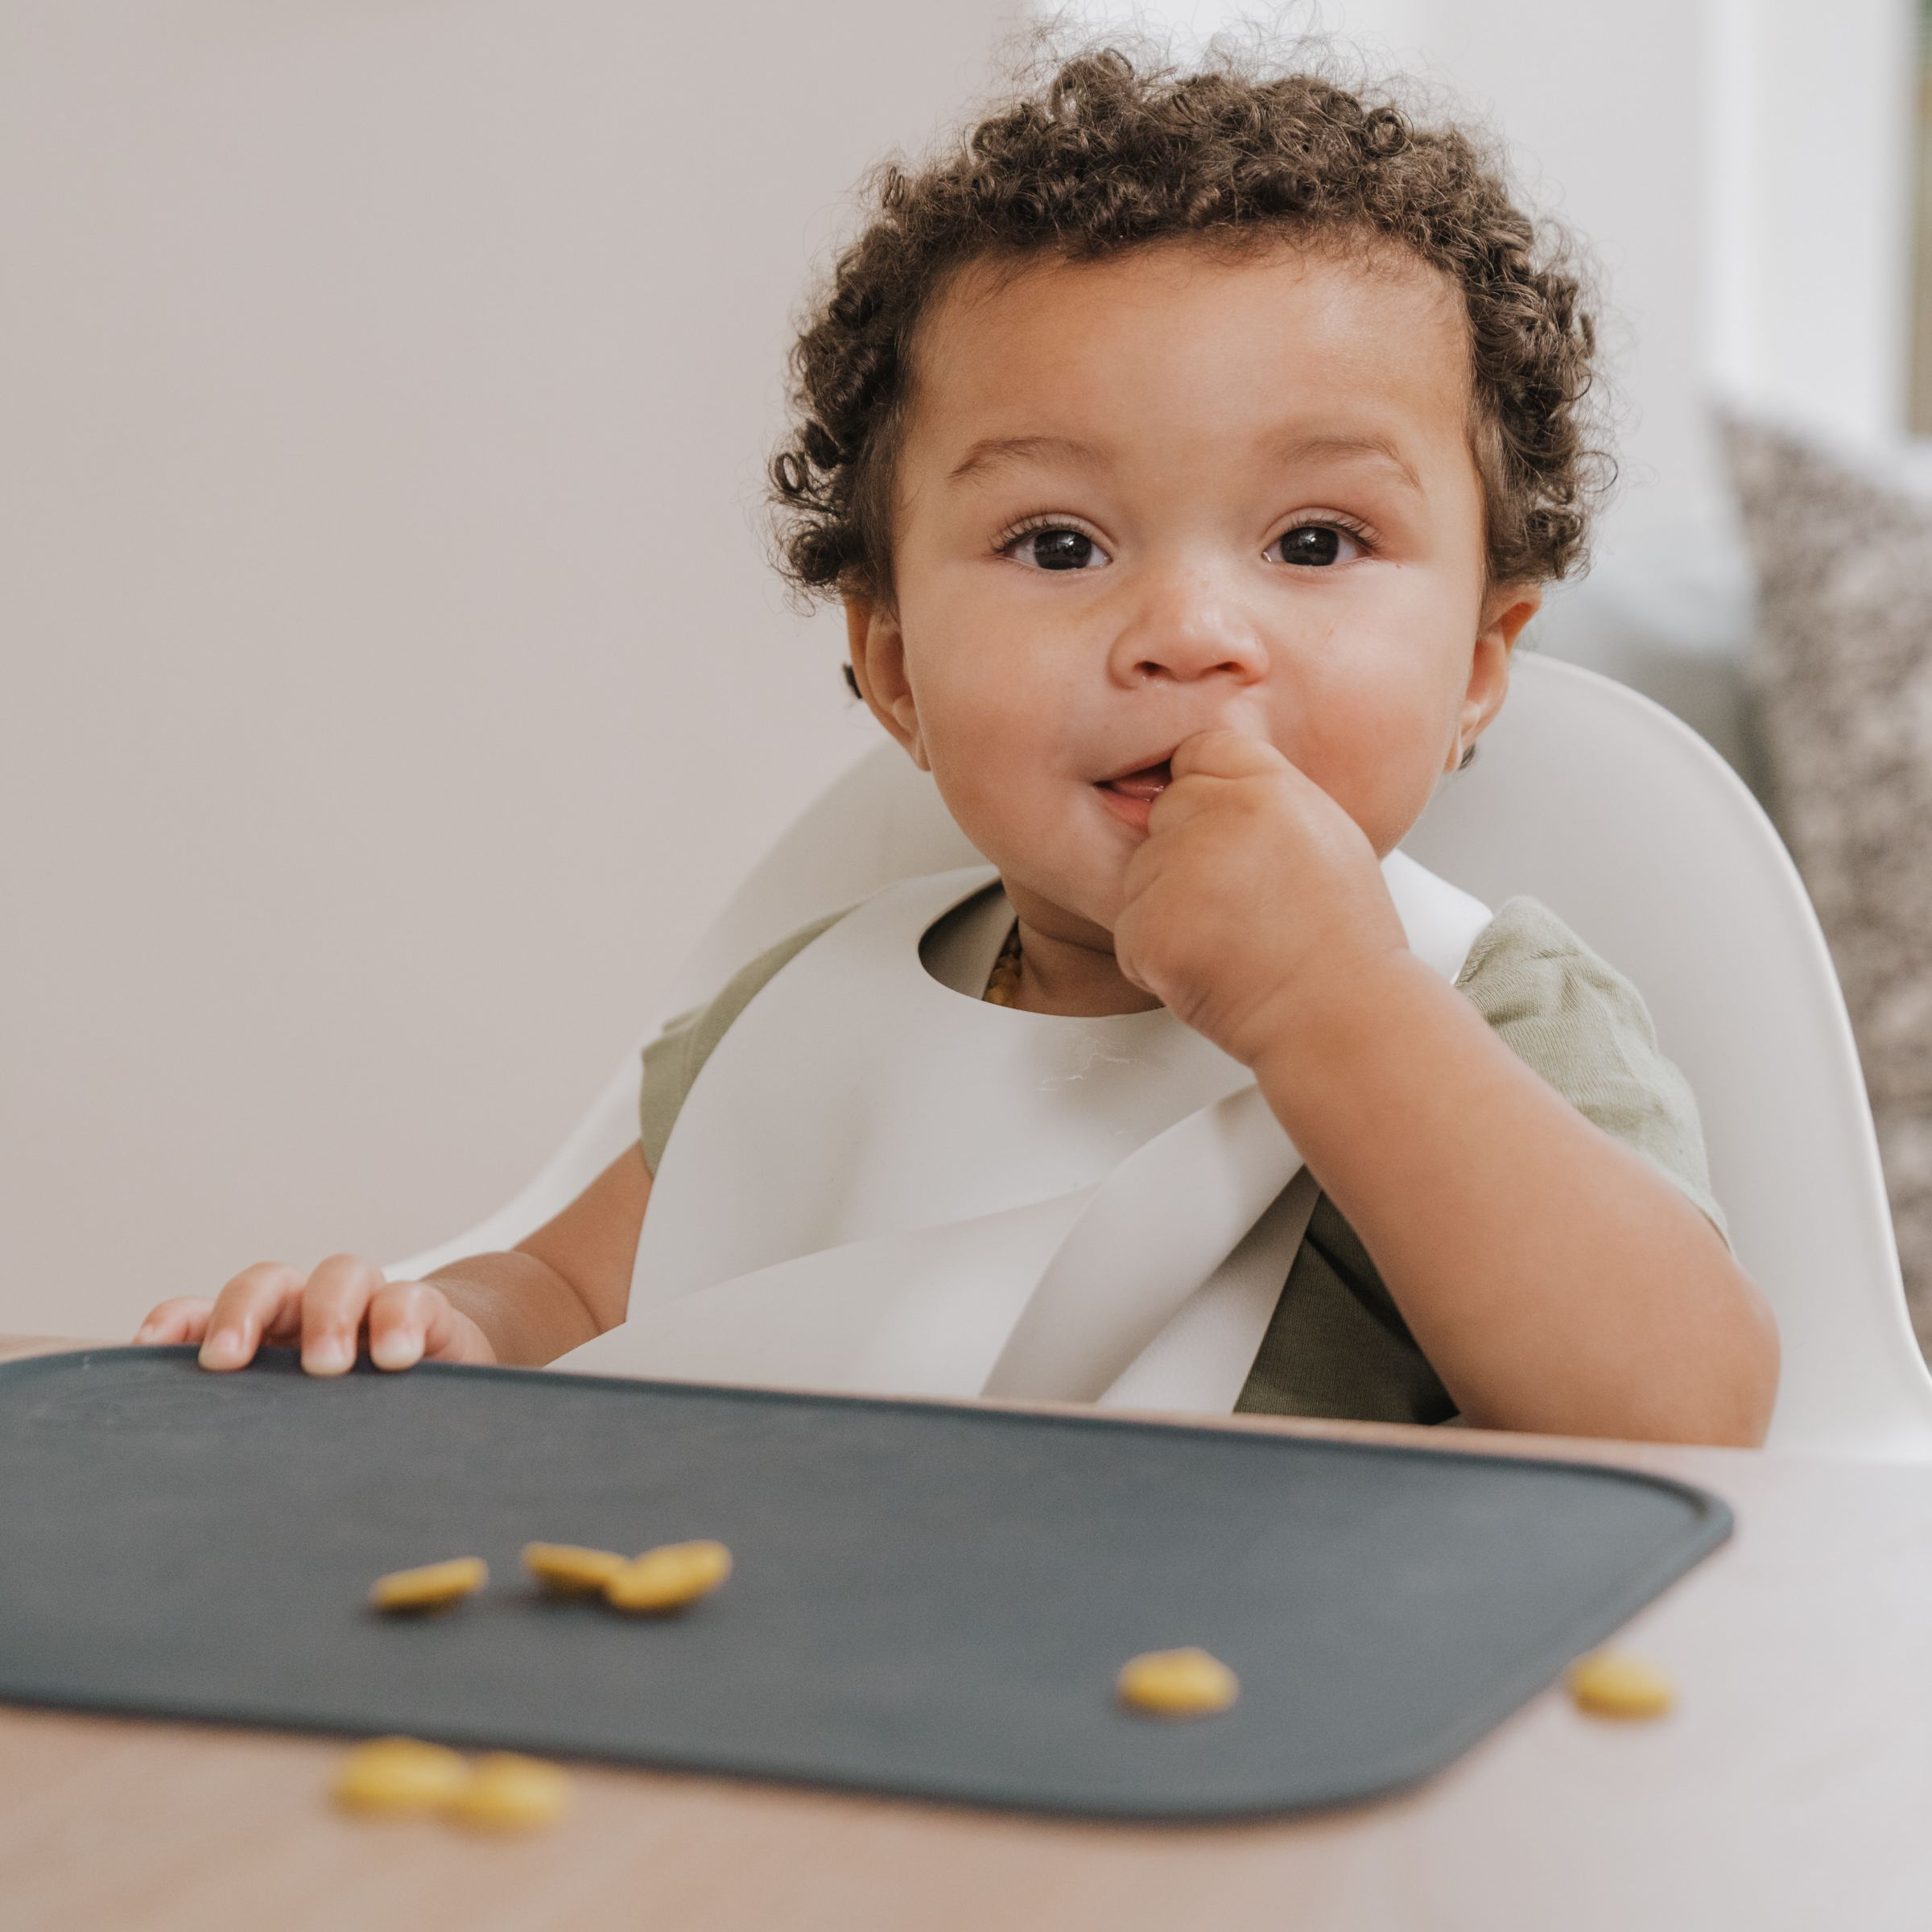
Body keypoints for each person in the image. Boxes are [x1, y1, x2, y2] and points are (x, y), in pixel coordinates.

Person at [133, 31, 1780, 1444]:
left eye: (1316, 543)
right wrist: (438, 1328)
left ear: (1487, 657)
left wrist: (1328, 1004)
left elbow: (1686, 1419)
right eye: (1061, 545)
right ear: (895, 663)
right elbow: (576, 1286)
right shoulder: (805, 1012)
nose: (1190, 633)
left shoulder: (1489, 1014)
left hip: (1249, 1751)